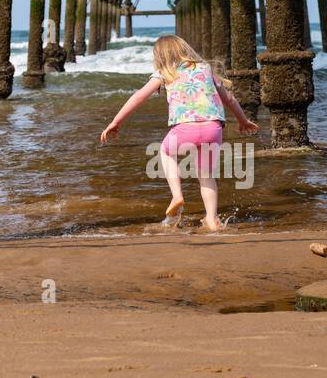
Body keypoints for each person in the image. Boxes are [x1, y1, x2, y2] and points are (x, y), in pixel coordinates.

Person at [99, 35, 258, 231]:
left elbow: (139, 96)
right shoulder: (205, 68)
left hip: (184, 129)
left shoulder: (164, 73)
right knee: (206, 174)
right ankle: (211, 218)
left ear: (160, 56)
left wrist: (116, 122)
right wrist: (243, 121)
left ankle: (177, 195)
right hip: (213, 128)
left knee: (166, 152)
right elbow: (230, 99)